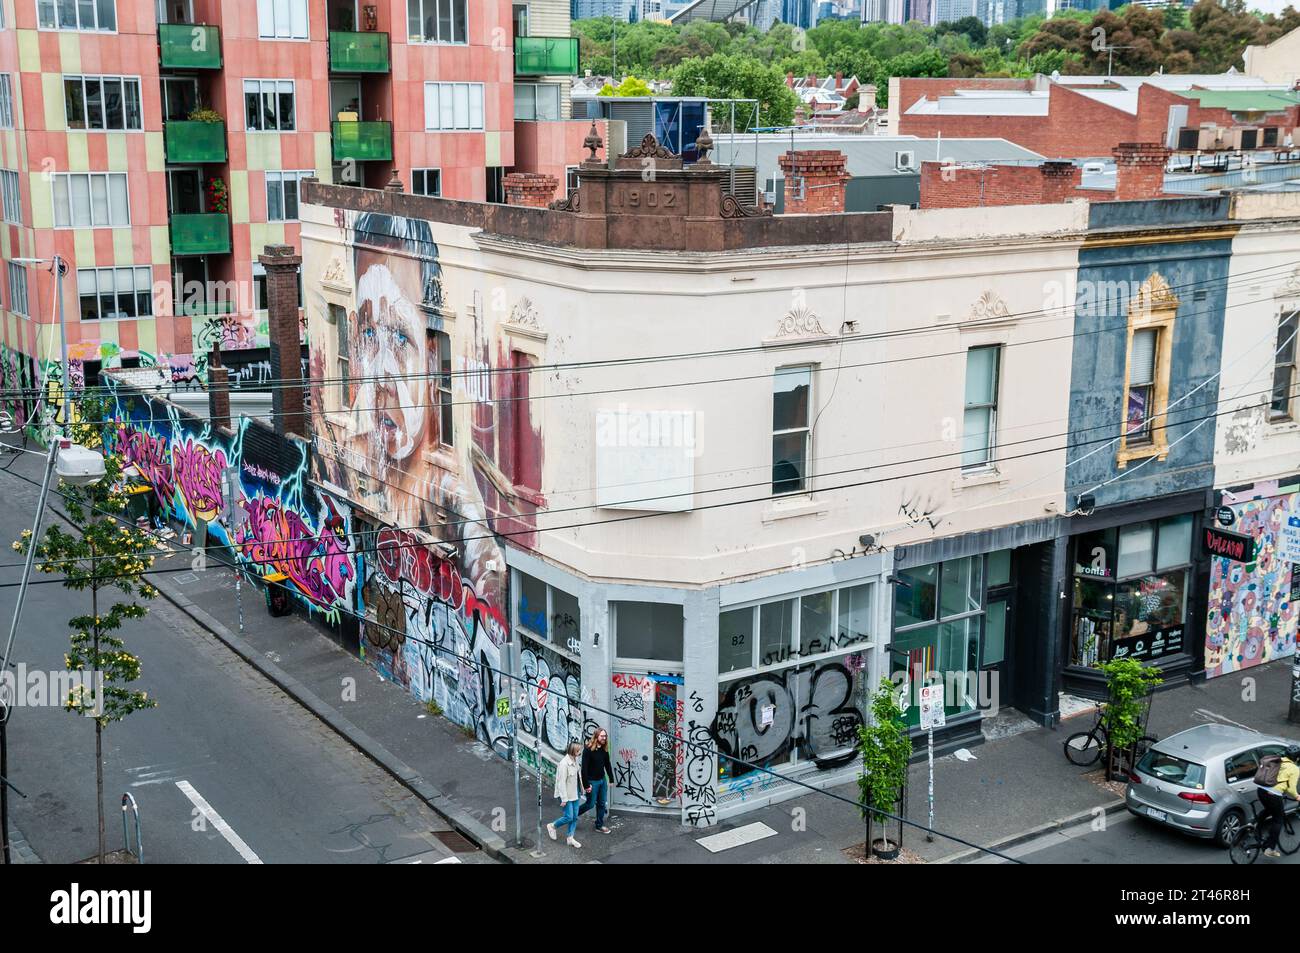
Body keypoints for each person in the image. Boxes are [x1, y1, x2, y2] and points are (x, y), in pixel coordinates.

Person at [1258, 744, 1300, 858]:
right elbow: (1291, 788)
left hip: (1261, 790)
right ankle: (1270, 848)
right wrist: (1297, 796)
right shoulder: (1294, 769)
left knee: (1268, 809)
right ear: (1297, 758)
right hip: (1274, 794)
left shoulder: (1277, 761)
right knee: (1278, 820)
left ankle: (1254, 829)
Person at [546, 742, 585, 849]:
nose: (580, 752)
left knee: (574, 817)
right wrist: (563, 798)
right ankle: (552, 826)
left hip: (575, 792)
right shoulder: (564, 764)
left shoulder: (575, 760)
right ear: (573, 751)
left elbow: (578, 776)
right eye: (578, 751)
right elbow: (561, 782)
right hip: (566, 794)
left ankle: (570, 838)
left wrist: (582, 788)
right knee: (569, 816)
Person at [578, 727, 614, 834]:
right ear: (596, 736)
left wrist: (611, 778)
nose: (604, 738)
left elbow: (607, 764)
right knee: (590, 804)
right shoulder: (588, 750)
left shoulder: (604, 749)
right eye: (602, 736)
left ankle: (599, 825)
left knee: (602, 803)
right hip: (592, 782)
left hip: (602, 780)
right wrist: (586, 785)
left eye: (605, 736)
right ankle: (573, 815)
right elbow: (584, 769)